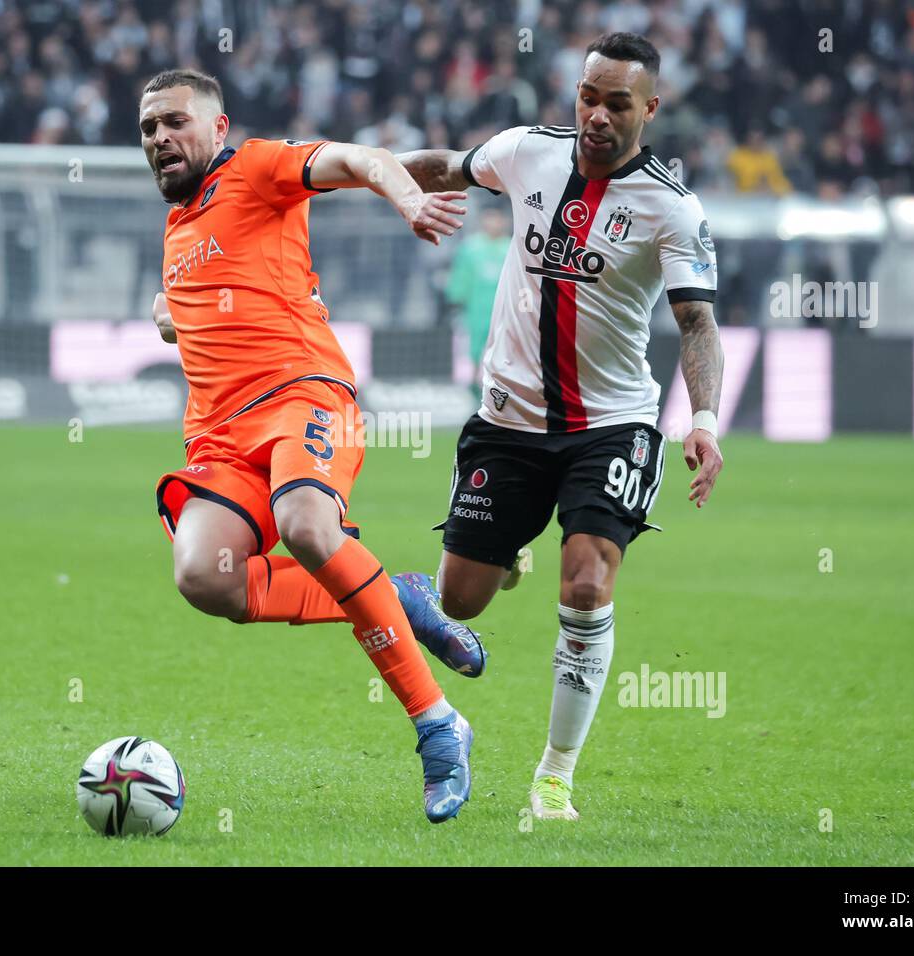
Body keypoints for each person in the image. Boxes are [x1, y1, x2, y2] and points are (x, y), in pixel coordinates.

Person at [140, 69, 484, 823]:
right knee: (206, 577)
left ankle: (437, 725)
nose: (160, 138)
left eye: (174, 121)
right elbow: (202, 309)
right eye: (148, 129)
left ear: (219, 128)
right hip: (222, 442)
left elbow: (360, 160)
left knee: (306, 526)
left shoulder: (261, 167)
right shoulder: (176, 231)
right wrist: (171, 319)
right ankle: (396, 594)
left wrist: (407, 198)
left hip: (304, 396)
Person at [397, 33, 726, 820]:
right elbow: (447, 165)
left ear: (650, 108)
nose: (598, 115)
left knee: (585, 581)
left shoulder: (671, 208)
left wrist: (705, 418)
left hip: (612, 424)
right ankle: (501, 557)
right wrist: (340, 173)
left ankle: (554, 778)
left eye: (618, 103)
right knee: (461, 599)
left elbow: (698, 325)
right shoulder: (525, 153)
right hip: (508, 420)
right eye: (589, 96)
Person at [446, 204, 511, 383]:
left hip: (504, 311)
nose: (494, 223)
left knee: (504, 351)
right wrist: (457, 299)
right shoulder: (471, 248)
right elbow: (460, 277)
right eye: (490, 218)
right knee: (473, 350)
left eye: (497, 219)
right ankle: (473, 385)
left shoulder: (511, 248)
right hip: (475, 311)